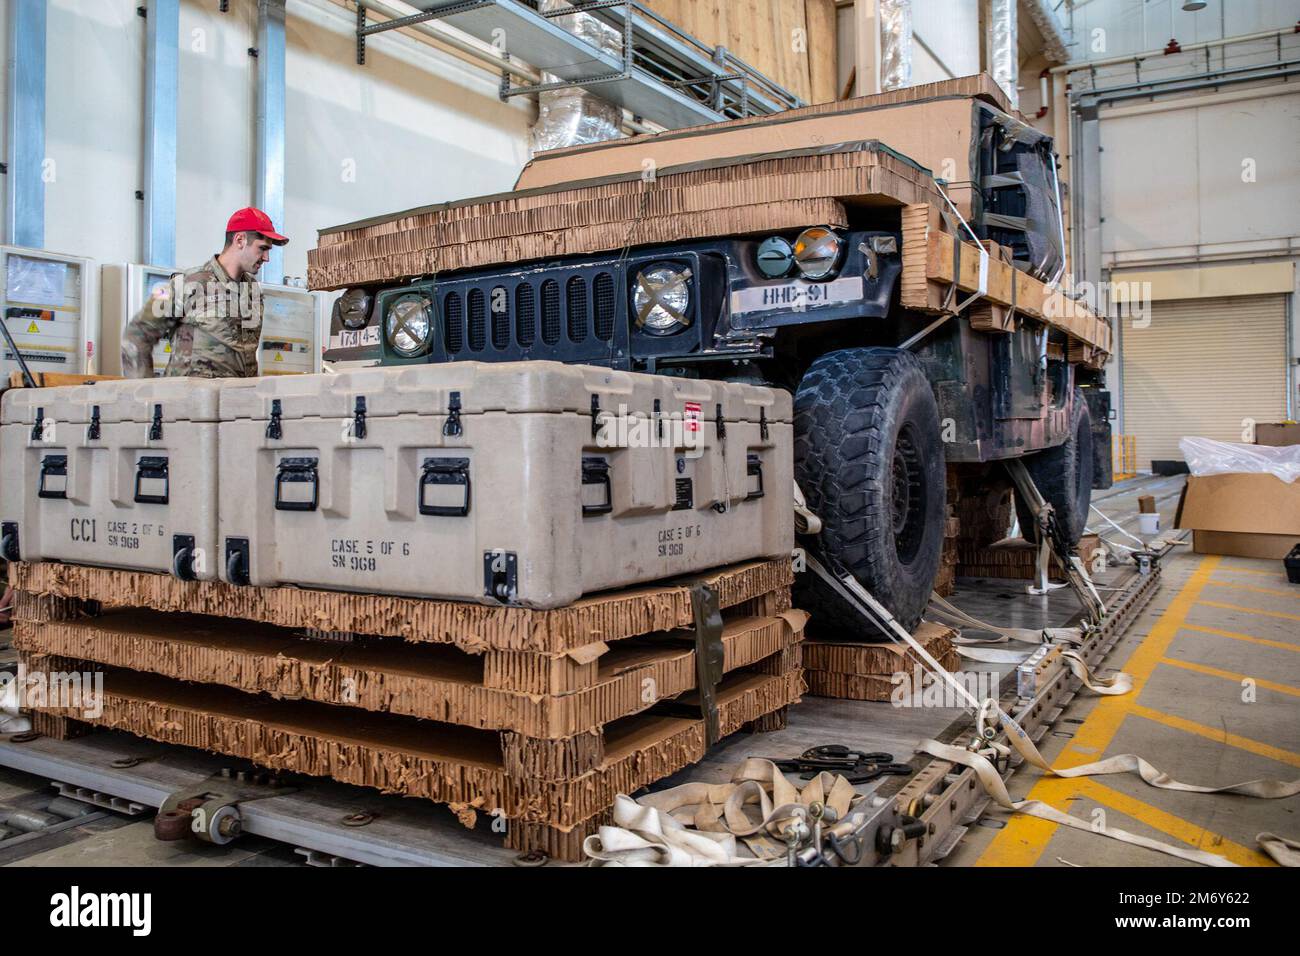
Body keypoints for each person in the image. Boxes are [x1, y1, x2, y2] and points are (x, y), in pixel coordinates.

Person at [121, 207, 289, 378]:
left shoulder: (253, 291)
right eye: (262, 248)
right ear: (240, 240)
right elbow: (135, 337)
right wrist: (147, 396)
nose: (267, 258)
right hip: (190, 401)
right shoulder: (186, 284)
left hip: (238, 400)